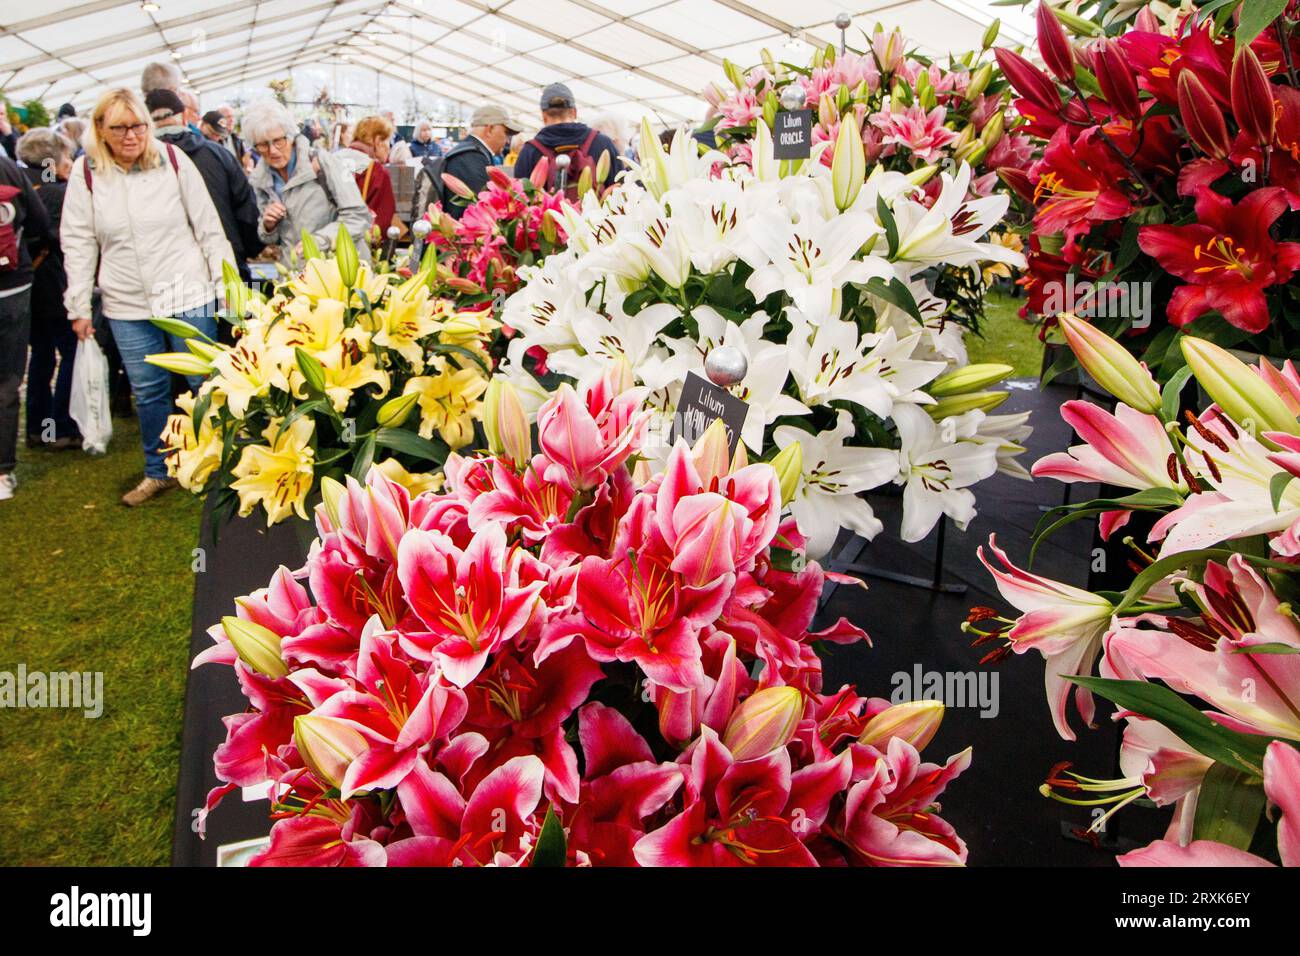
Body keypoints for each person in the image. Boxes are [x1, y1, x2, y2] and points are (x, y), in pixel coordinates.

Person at [62, 87, 234, 507]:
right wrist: (78, 305)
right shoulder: (87, 175)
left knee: (205, 383)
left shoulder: (174, 162)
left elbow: (209, 228)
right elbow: (79, 242)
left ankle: (223, 467)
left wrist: (227, 288)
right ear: (99, 130)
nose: (130, 135)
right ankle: (159, 471)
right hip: (125, 303)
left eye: (138, 125)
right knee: (149, 390)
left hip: (188, 292)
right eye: (119, 127)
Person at [148, 89, 261, 282]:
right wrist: (248, 249)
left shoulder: (138, 167)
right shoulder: (218, 154)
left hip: (171, 280)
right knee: (233, 312)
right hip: (229, 267)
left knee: (183, 314)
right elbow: (246, 209)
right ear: (185, 116)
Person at [242, 99, 372, 266]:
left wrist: (318, 241)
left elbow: (358, 217)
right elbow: (270, 239)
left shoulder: (322, 163)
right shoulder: (261, 180)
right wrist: (268, 225)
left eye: (278, 141)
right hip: (296, 274)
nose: (272, 151)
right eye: (263, 145)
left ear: (290, 137)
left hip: (337, 269)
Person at [16, 129, 80, 453]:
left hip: (25, 285)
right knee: (70, 352)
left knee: (40, 356)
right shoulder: (57, 192)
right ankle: (61, 426)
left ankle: (40, 429)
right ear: (50, 159)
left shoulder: (19, 185)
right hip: (54, 283)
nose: (69, 162)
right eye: (64, 156)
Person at [0, 151, 53, 501]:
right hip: (11, 285)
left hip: (12, 286)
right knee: (6, 379)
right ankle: (2, 472)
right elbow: (39, 220)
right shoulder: (7, 168)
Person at [411, 104, 517, 221]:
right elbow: (475, 212)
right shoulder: (471, 157)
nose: (507, 140)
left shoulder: (471, 153)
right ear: (490, 129)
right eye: (506, 132)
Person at [513, 83, 620, 192]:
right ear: (574, 112)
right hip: (596, 208)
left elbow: (520, 196)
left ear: (544, 116)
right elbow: (620, 189)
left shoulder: (529, 151)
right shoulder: (602, 144)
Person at [335, 115, 398, 241]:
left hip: (325, 241)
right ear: (378, 141)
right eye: (388, 141)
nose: (389, 148)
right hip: (357, 245)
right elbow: (381, 225)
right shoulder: (377, 171)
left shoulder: (333, 159)